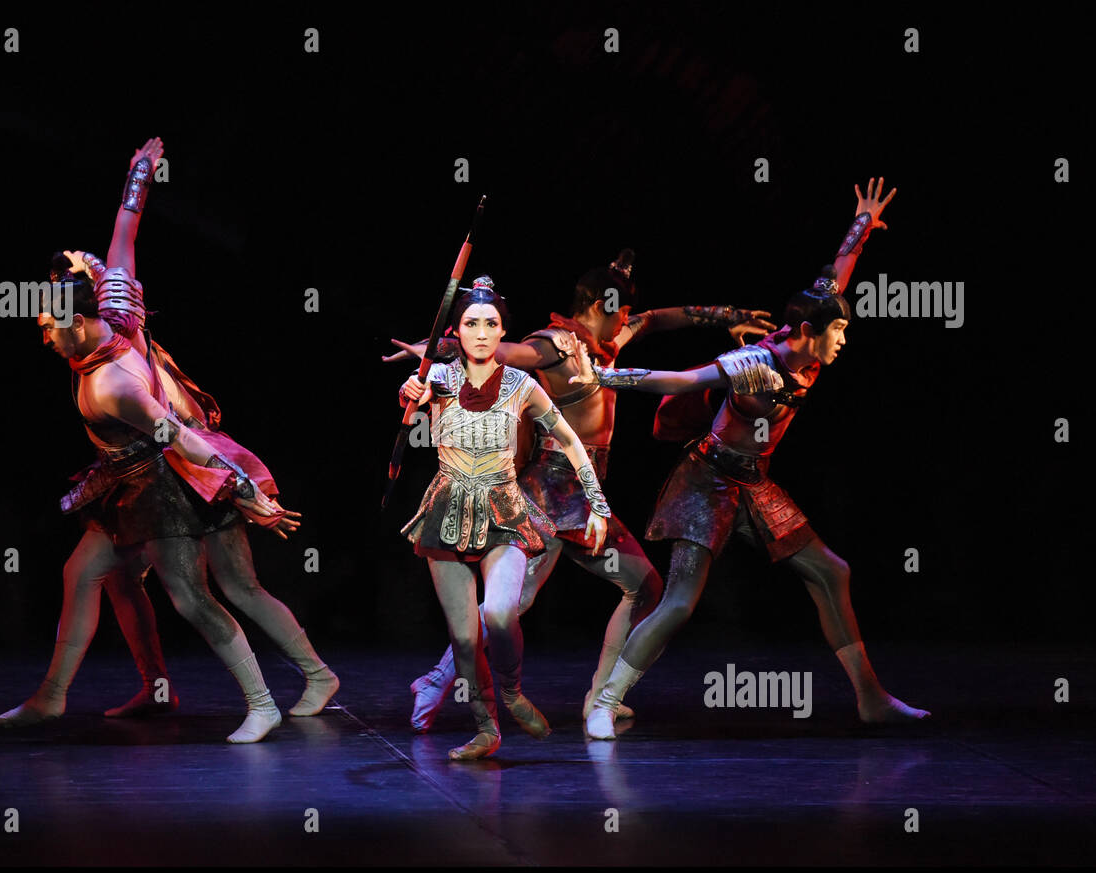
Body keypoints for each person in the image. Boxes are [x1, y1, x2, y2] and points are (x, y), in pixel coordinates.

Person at [3, 139, 336, 743]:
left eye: (50, 326)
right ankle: (66, 696)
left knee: (200, 592)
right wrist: (138, 175)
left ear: (78, 320)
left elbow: (179, 438)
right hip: (132, 479)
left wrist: (242, 490)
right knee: (88, 575)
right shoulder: (112, 305)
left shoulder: (114, 384)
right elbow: (124, 233)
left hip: (170, 481)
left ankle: (266, 699)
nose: (44, 337)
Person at [579, 178, 929, 739]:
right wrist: (607, 376)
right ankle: (606, 700)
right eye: (838, 329)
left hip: (754, 483)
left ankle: (871, 699)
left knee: (831, 572)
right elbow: (683, 378)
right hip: (706, 481)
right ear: (812, 332)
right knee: (679, 603)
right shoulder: (757, 364)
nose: (844, 337)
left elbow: (836, 274)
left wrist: (861, 226)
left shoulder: (812, 337)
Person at [387, 254, 774, 729]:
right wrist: (438, 348)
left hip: (584, 499)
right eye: (619, 311)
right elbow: (502, 353)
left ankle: (600, 697)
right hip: (545, 494)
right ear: (595, 303)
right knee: (512, 603)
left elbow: (657, 319)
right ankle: (437, 678)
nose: (626, 322)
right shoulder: (553, 344)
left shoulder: (608, 342)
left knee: (646, 586)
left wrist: (730, 317)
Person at [398, 276, 612, 759]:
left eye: (490, 324)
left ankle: (512, 691)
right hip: (448, 509)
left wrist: (598, 505)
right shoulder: (439, 379)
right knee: (463, 635)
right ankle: (485, 727)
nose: (480, 332)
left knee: (498, 613)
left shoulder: (522, 385)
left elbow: (573, 444)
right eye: (470, 324)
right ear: (456, 332)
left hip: (505, 510)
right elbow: (414, 400)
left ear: (501, 333)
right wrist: (411, 394)